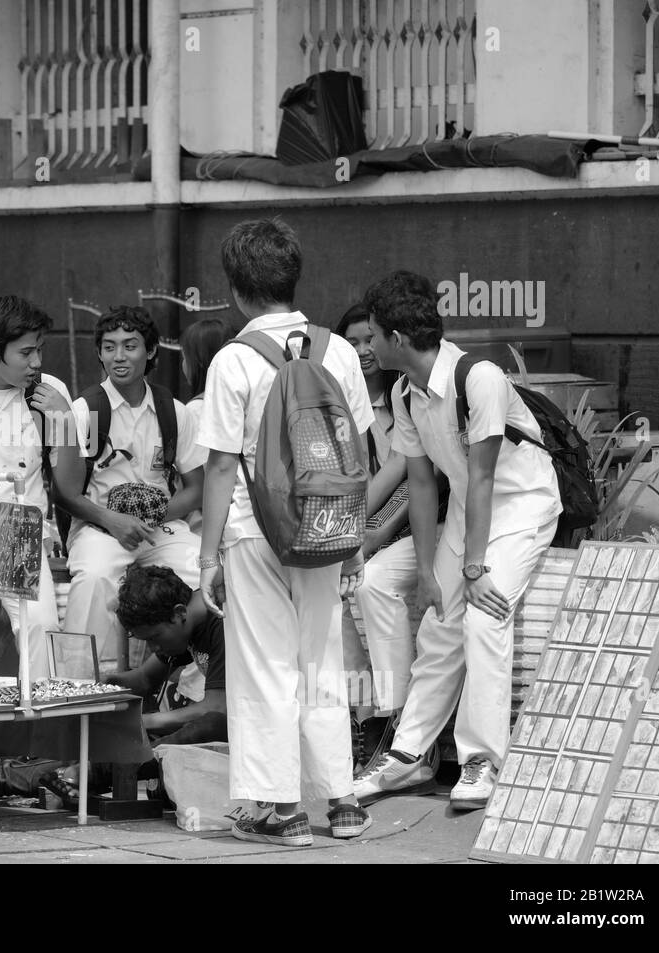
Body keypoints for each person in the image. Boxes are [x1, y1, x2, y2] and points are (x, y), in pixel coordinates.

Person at [353, 271, 561, 811]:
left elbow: (487, 476)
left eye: (373, 335)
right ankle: (408, 755)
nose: (368, 345)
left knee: (482, 614)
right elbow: (422, 484)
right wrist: (427, 569)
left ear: (397, 340)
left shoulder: (479, 378)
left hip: (522, 506)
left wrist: (473, 569)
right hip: (472, 511)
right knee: (441, 620)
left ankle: (482, 760)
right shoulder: (404, 391)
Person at [197, 217, 374, 846]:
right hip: (327, 524)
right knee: (321, 655)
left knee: (265, 663)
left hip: (254, 526)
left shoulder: (234, 359)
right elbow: (358, 451)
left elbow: (220, 464)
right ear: (294, 278)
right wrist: (353, 540)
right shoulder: (341, 350)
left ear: (237, 291)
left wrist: (207, 556)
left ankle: (279, 809)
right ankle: (343, 800)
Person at [54, 306, 206, 671]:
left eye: (130, 345)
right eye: (109, 347)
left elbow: (196, 488)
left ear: (150, 351)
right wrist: (116, 521)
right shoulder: (82, 410)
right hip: (98, 526)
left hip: (161, 529)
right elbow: (63, 492)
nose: (118, 356)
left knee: (206, 576)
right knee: (94, 578)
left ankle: (191, 681)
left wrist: (151, 517)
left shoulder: (175, 411)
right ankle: (81, 689)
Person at [0, 295, 78, 677]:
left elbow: (69, 485)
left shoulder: (49, 393)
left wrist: (65, 421)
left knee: (40, 624)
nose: (37, 363)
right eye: (26, 353)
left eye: (40, 350)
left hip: (17, 528)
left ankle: (42, 721)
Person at [335, 302, 418, 770]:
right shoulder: (340, 405)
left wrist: (374, 534)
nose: (364, 351)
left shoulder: (407, 392)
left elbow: (416, 479)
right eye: (353, 342)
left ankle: (395, 720)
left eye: (371, 339)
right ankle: (366, 714)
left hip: (417, 518)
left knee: (366, 580)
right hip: (365, 518)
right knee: (329, 588)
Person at [109, 565, 227, 746]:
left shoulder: (222, 622)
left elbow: (216, 707)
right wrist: (102, 688)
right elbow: (145, 679)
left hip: (260, 724)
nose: (153, 647)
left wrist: (144, 721)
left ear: (179, 613)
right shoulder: (187, 622)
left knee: (204, 727)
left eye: (154, 637)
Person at [178, 317, 232, 536]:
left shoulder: (196, 411)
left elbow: (204, 486)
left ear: (198, 361)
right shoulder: (240, 404)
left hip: (208, 532)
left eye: (184, 356)